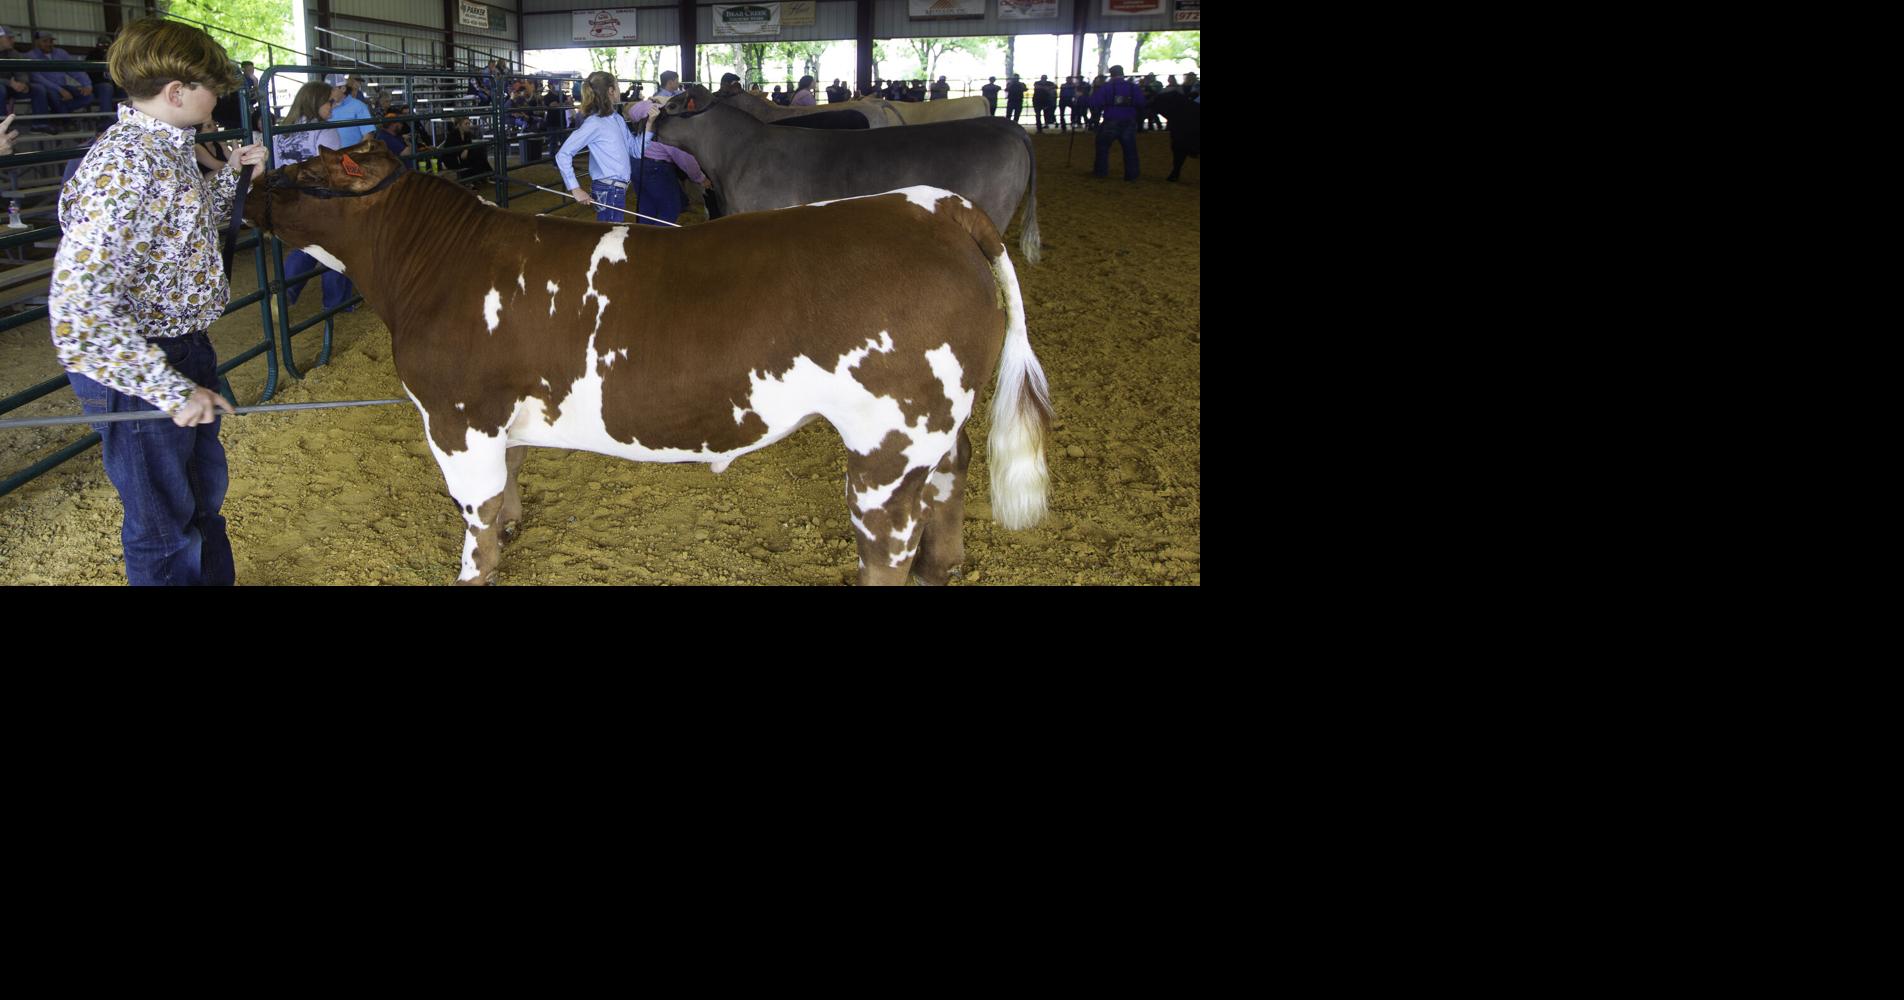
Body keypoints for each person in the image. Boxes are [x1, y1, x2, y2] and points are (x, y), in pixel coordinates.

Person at [49, 18, 268, 586]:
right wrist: (168, 389)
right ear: (176, 92)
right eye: (211, 88)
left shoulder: (166, 149)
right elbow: (78, 313)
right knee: (163, 528)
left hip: (182, 349)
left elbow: (185, 234)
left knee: (199, 507)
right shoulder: (127, 165)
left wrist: (232, 179)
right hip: (140, 367)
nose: (218, 98)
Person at [270, 80, 354, 310]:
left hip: (290, 198)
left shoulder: (281, 131)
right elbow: (333, 168)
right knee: (338, 247)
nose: (332, 107)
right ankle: (337, 303)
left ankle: (285, 291)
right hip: (320, 198)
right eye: (329, 102)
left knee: (308, 244)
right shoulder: (325, 130)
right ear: (316, 102)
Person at [554, 71, 631, 223]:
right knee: (609, 239)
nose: (620, 90)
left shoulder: (617, 118)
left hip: (615, 190)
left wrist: (649, 126)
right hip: (609, 191)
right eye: (618, 86)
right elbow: (563, 154)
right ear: (610, 91)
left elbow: (634, 148)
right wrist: (575, 189)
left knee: (609, 237)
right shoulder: (594, 123)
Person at [624, 92, 709, 227]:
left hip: (635, 162)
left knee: (646, 205)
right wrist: (700, 178)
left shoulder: (646, 110)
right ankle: (659, 242)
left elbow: (632, 110)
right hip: (656, 168)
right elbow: (684, 157)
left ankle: (643, 240)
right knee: (670, 207)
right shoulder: (669, 123)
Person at [28, 30, 115, 128]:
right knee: (53, 95)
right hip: (48, 88)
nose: (49, 44)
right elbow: (37, 78)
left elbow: (75, 69)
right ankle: (66, 119)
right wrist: (60, 90)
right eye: (45, 41)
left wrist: (87, 85)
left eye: (51, 41)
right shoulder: (31, 56)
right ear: (37, 42)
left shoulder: (60, 53)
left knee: (88, 96)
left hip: (63, 87)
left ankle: (59, 113)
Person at [1089, 64, 1143, 181]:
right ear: (1122, 73)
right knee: (1130, 148)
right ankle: (1132, 174)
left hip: (1111, 120)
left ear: (1111, 74)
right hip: (1129, 120)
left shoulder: (1106, 87)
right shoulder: (1133, 87)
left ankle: (1101, 171)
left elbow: (1095, 103)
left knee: (1102, 145)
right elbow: (1141, 103)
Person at [329, 74, 373, 146]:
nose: (329, 93)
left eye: (332, 89)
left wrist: (354, 154)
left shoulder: (359, 106)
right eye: (326, 90)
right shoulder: (324, 108)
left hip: (350, 155)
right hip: (329, 155)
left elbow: (368, 136)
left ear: (343, 89)